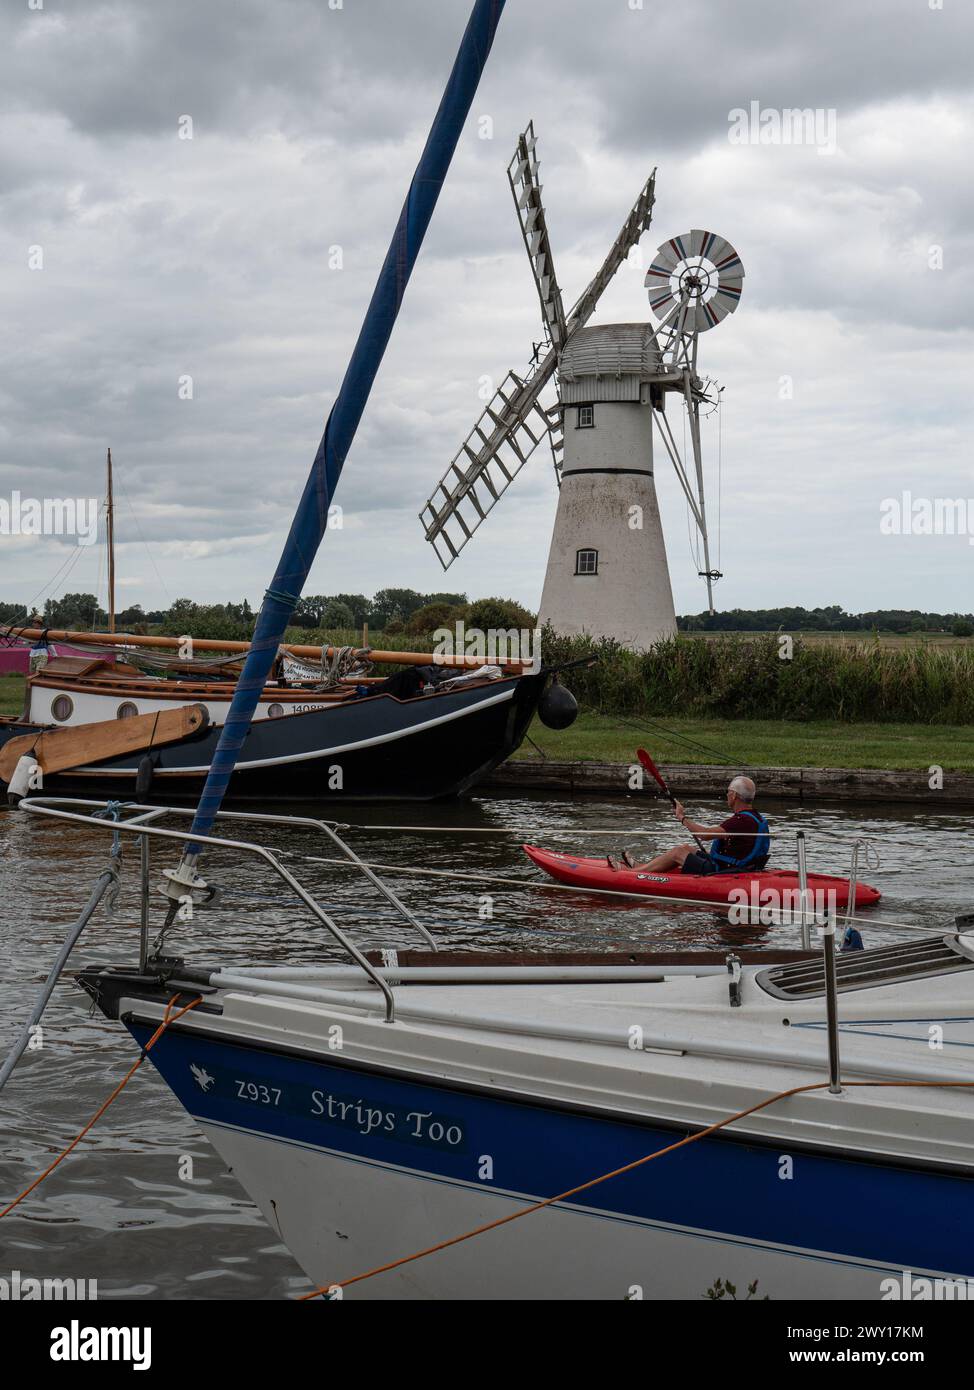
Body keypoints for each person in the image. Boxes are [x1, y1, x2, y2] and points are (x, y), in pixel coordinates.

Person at [615, 775, 770, 876]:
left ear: (734, 795)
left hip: (723, 871)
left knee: (677, 853)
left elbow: (704, 835)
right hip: (731, 866)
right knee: (684, 848)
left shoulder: (741, 821)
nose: (727, 795)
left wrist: (682, 818)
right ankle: (643, 867)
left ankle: (632, 873)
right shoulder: (754, 818)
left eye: (728, 792)